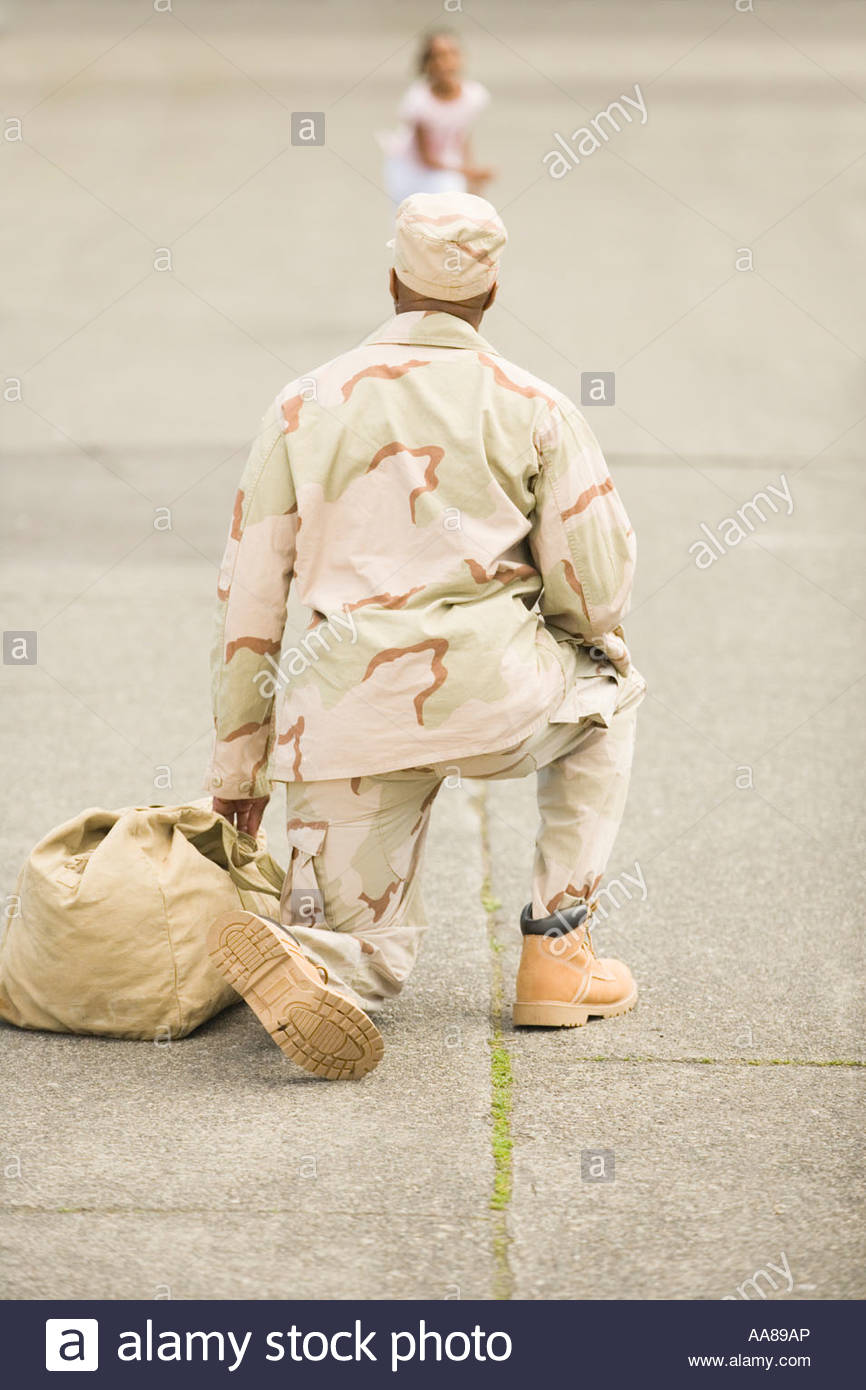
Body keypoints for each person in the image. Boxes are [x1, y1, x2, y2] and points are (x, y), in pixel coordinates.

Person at [205, 192, 645, 1081]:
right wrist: (574, 640)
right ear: (491, 294)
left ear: (393, 279)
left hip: (345, 715)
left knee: (371, 950)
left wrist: (238, 773)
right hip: (498, 697)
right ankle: (557, 955)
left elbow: (250, 601)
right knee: (614, 694)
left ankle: (324, 960)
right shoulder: (536, 406)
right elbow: (597, 589)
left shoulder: (302, 404)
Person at [380, 31, 493, 206]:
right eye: (437, 56)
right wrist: (469, 172)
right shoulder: (418, 100)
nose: (444, 62)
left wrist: (472, 180)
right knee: (409, 223)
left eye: (451, 54)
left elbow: (461, 136)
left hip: (445, 163)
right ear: (427, 65)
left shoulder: (474, 95)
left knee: (452, 210)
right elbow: (425, 157)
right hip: (410, 167)